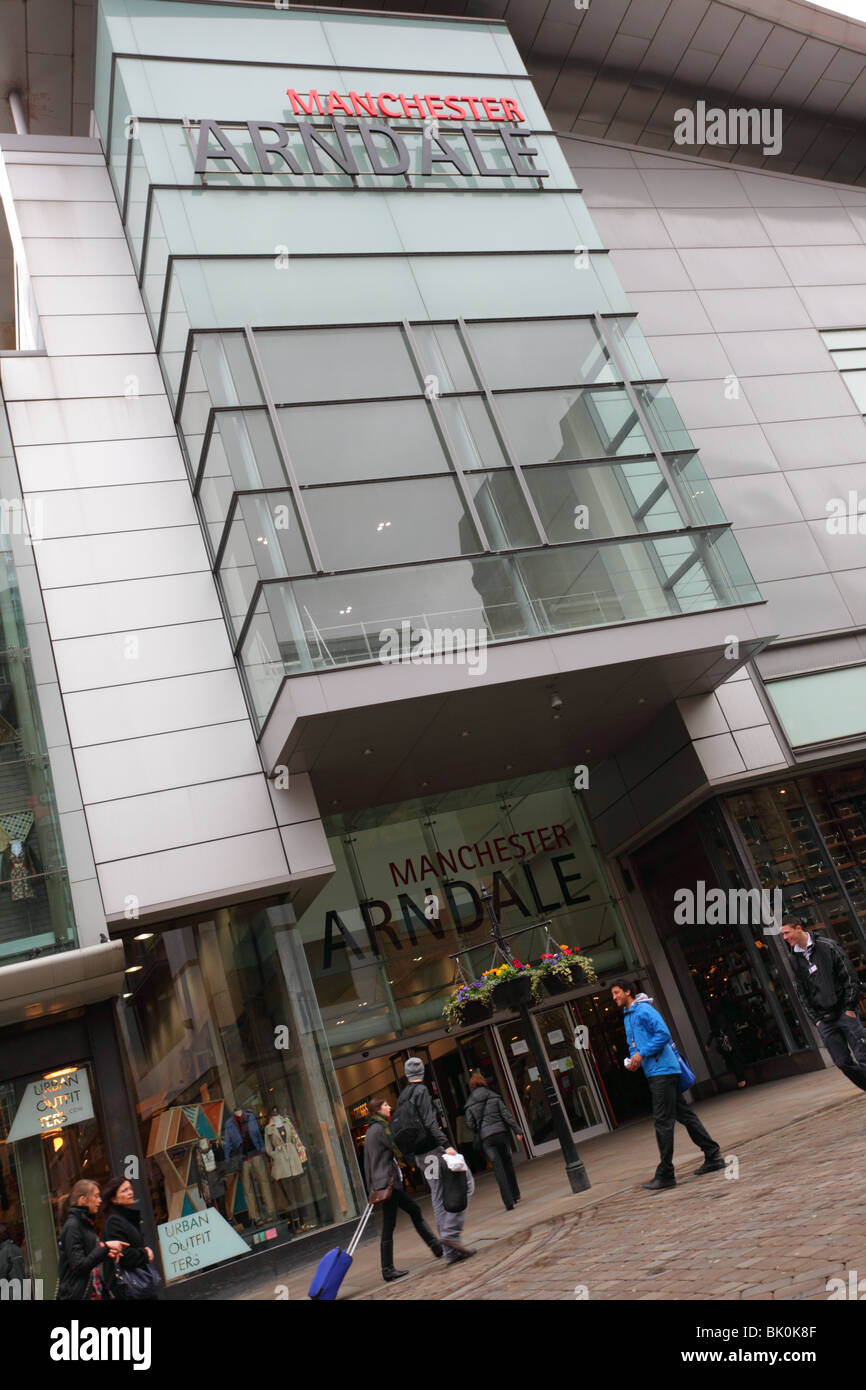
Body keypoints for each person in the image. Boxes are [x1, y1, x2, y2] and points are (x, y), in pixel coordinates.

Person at [612, 980, 725, 1191]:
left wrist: (642, 1054)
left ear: (628, 992)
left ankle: (666, 1173)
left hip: (663, 1071)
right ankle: (713, 1155)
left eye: (617, 993)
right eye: (613, 994)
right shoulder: (628, 1016)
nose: (614, 997)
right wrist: (635, 1060)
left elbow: (663, 1034)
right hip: (655, 1070)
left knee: (662, 1121)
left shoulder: (644, 1009)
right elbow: (636, 1045)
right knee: (684, 1115)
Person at [393, 1057, 475, 1264]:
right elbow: (430, 1122)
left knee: (437, 1195)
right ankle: (450, 1234)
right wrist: (446, 1144)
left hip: (421, 1156)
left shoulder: (403, 1095)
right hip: (433, 1150)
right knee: (466, 1183)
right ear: (422, 1071)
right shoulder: (421, 1091)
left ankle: (450, 1253)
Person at [363, 1097, 443, 1282]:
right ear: (377, 1110)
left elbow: (368, 1163)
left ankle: (436, 1247)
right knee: (393, 1222)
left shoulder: (371, 1131)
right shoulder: (382, 1129)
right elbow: (397, 1148)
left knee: (409, 1213)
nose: (389, 1107)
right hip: (389, 1184)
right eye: (385, 1105)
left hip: (383, 1182)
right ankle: (388, 1268)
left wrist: (372, 1185)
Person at [780, 919, 866, 1092]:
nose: (784, 937)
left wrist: (849, 1008)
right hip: (824, 1021)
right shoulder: (794, 958)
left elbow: (849, 977)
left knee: (863, 1056)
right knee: (842, 1063)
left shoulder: (827, 946)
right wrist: (816, 1020)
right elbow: (801, 992)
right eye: (782, 934)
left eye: (786, 932)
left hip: (844, 1012)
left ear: (798, 928)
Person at [56, 1179, 126, 1300]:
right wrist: (105, 1247)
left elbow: (90, 1256)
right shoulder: (73, 1226)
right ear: (82, 1200)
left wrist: (105, 1251)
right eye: (96, 1196)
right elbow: (79, 1266)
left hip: (93, 1293)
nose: (100, 1201)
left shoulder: (85, 1224)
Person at [463, 1073, 523, 1210]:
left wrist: (479, 1126)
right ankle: (515, 1194)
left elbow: (470, 1124)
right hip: (501, 1134)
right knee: (507, 1163)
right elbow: (506, 1115)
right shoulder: (493, 1096)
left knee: (498, 1168)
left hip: (487, 1139)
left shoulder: (470, 1103)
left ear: (472, 1086)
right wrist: (517, 1130)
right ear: (483, 1082)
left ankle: (508, 1202)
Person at [101, 1177, 159, 1300]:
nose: (130, 1192)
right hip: (129, 1288)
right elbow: (123, 1255)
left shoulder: (125, 1218)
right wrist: (145, 1253)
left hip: (138, 1285)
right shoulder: (114, 1222)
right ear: (114, 1199)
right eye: (124, 1190)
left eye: (130, 1189)